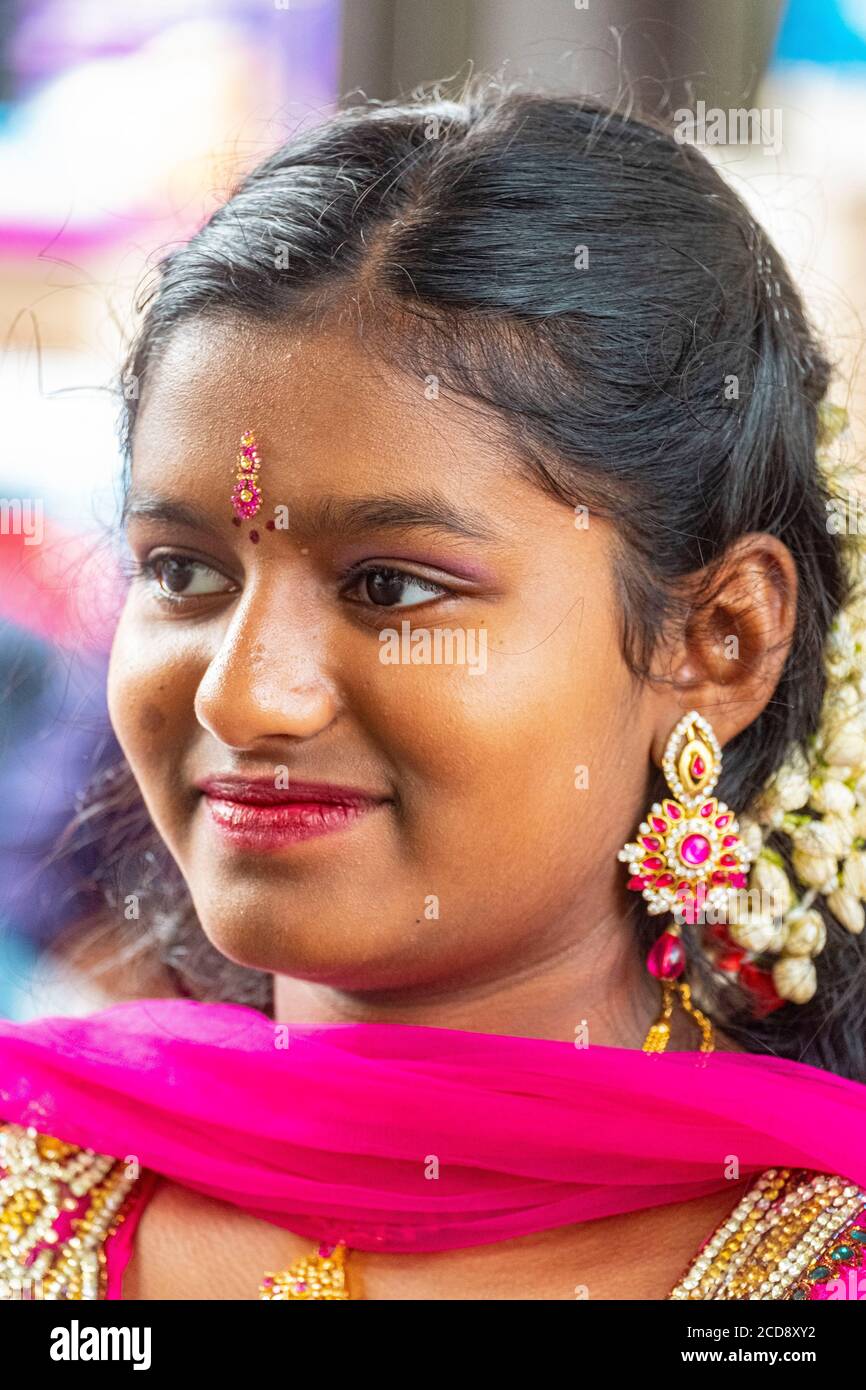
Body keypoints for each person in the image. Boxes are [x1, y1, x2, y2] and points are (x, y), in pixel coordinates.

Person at [2, 78, 866, 1302]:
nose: (243, 699)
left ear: (716, 641)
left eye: (392, 588)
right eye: (182, 569)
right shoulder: (34, 1190)